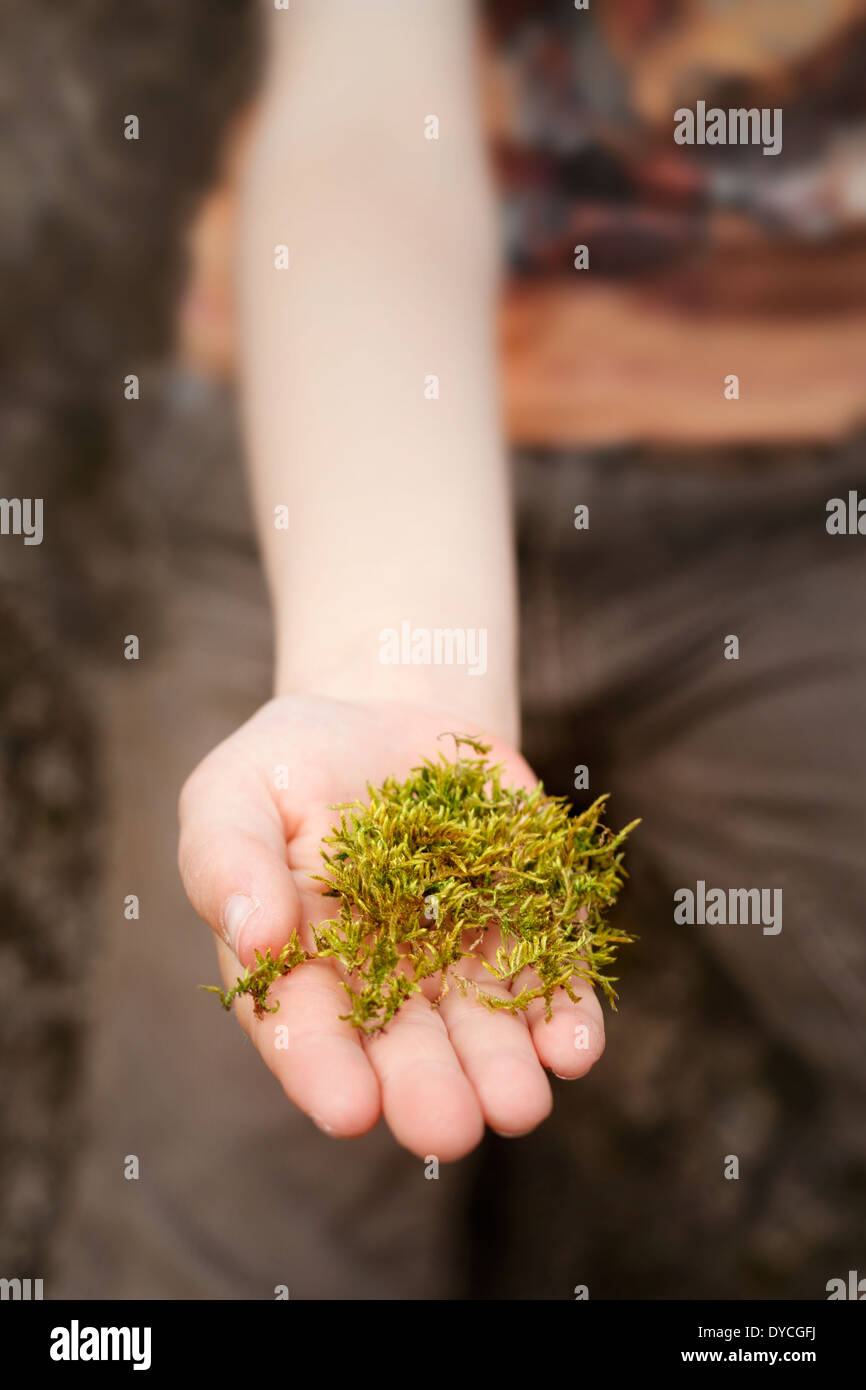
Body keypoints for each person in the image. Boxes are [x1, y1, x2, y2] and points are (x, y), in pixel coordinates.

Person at [52, 0, 866, 1299]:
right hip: (326, 473)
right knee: (220, 1241)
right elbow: (367, 115)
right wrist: (383, 667)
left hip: (793, 505)